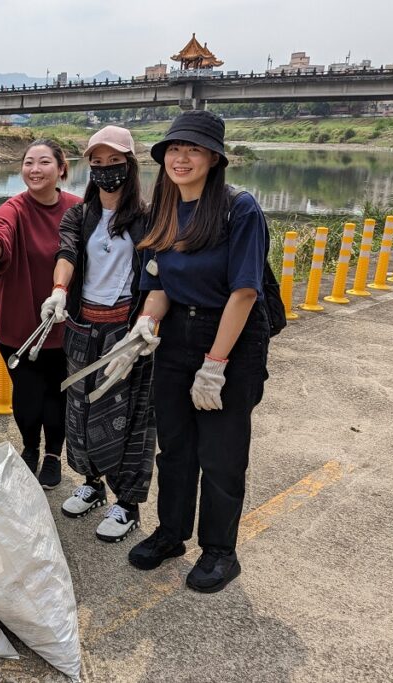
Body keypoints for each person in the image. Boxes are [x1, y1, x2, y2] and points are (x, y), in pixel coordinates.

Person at [117, 110, 270, 593]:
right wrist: (144, 326)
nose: (181, 159)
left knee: (221, 453)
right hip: (176, 339)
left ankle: (221, 552)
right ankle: (171, 533)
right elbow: (158, 284)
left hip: (229, 339)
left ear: (214, 158)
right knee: (177, 447)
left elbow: (244, 292)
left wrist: (215, 364)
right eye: (173, 151)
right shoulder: (164, 211)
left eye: (193, 150)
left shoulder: (238, 209)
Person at [42, 126, 156, 543]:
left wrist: (147, 323)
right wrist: (58, 291)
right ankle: (91, 482)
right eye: (98, 163)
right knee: (81, 408)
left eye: (115, 163)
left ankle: (126, 504)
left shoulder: (148, 217)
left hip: (126, 331)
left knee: (129, 416)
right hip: (82, 326)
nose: (106, 171)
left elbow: (158, 274)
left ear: (130, 165)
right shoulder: (80, 215)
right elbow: (67, 252)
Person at [0, 139, 81, 488]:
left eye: (44, 162)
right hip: (18, 324)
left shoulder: (78, 209)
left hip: (62, 323)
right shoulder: (14, 208)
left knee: (57, 395)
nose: (34, 169)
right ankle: (30, 446)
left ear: (62, 169)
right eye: (28, 162)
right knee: (28, 398)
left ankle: (54, 455)